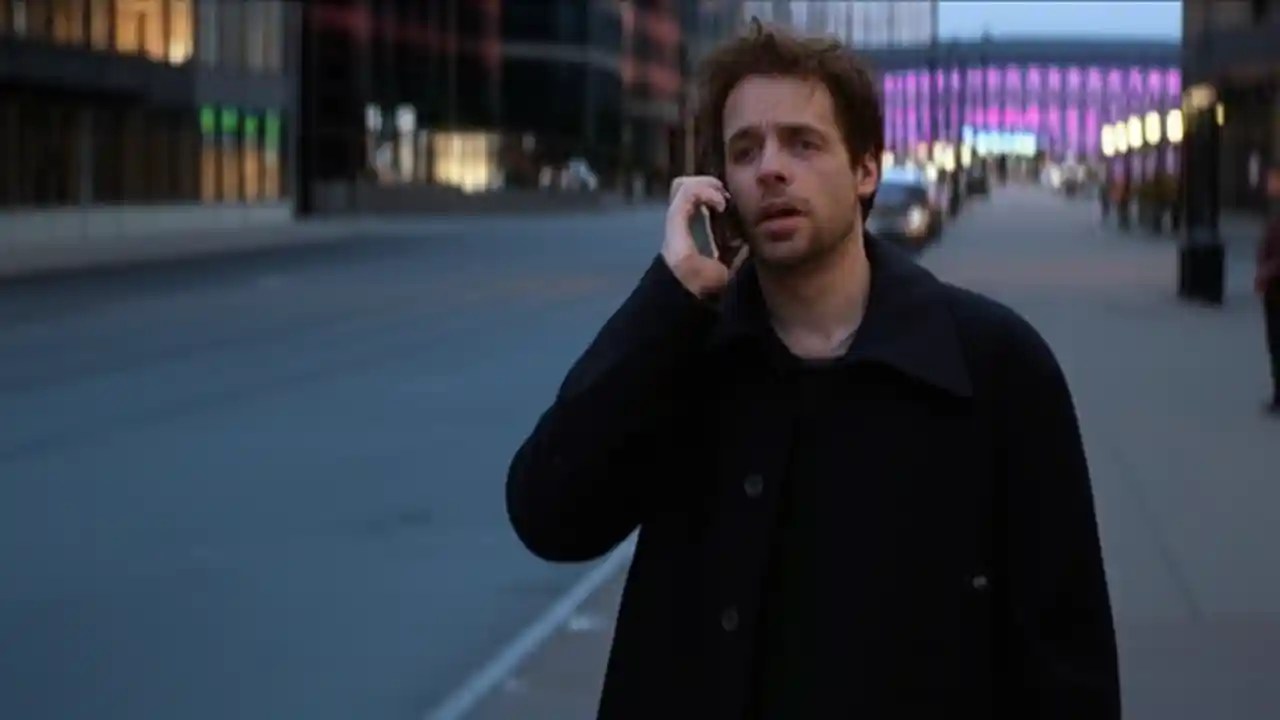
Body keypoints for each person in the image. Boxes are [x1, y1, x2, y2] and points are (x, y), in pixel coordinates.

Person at [506, 22, 1120, 718]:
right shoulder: (685, 355)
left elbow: (1068, 660)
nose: (771, 168)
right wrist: (671, 297)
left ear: (865, 169)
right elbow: (549, 515)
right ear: (721, 188)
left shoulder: (994, 365)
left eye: (803, 143)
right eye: (746, 150)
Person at [1257, 165, 1280, 414]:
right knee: (1273, 343)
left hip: (1276, 287)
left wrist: (1268, 271)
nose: (1270, 185)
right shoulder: (1273, 214)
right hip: (1271, 289)